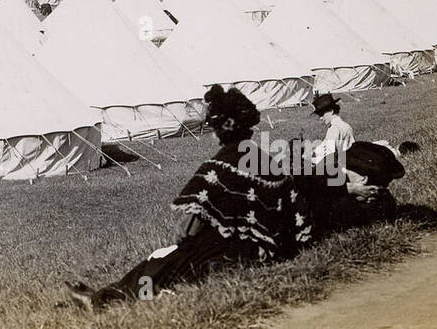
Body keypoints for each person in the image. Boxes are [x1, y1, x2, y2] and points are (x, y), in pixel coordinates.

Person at [66, 87, 313, 310]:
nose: (212, 135)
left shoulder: (220, 164)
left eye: (213, 128)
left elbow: (189, 226)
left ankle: (107, 300)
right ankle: (107, 294)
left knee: (168, 261)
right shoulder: (265, 159)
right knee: (169, 257)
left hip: (241, 251)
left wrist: (185, 244)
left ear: (224, 129)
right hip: (270, 247)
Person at [309, 92, 354, 166]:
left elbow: (330, 157)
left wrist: (312, 161)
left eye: (322, 114)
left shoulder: (334, 129)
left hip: (340, 166)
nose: (321, 118)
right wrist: (314, 152)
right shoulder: (345, 125)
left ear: (331, 111)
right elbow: (325, 145)